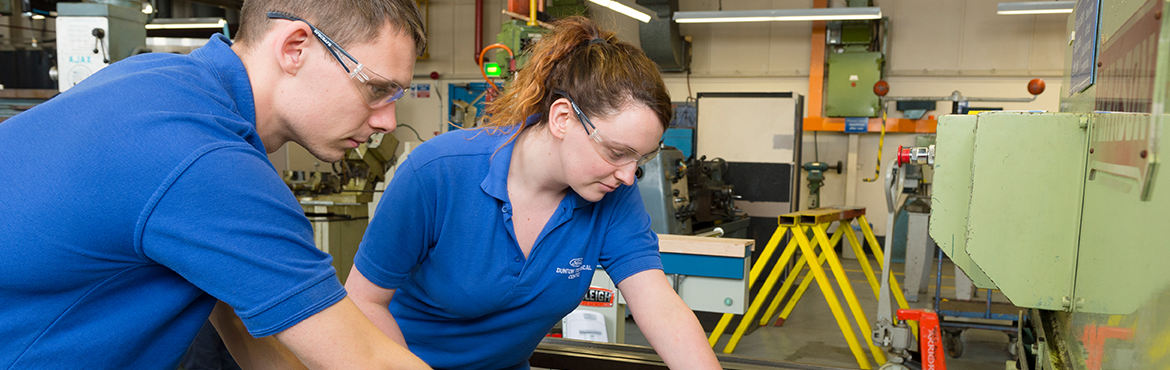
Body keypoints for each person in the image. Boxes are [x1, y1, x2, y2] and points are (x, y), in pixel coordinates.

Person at [0, 0, 432, 369]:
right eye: (376, 89)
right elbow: (365, 360)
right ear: (295, 48)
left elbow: (245, 320)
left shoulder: (159, 81)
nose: (387, 121)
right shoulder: (204, 156)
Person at [345, 17, 723, 370]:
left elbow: (659, 306)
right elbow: (364, 301)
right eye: (617, 152)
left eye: (640, 158)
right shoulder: (439, 172)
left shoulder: (612, 193)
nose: (628, 175)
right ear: (562, 118)